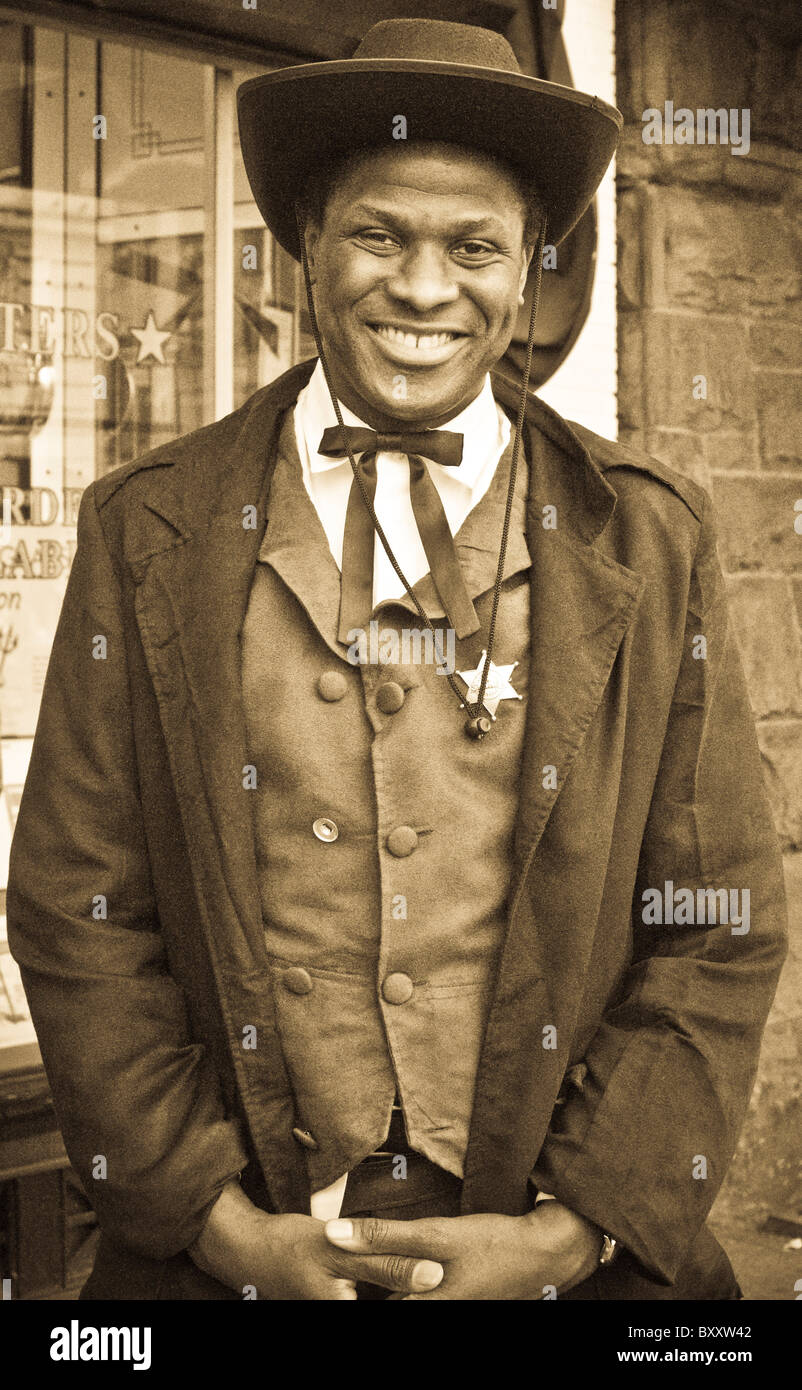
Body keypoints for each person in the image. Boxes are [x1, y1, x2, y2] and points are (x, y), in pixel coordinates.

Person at [7, 18, 787, 1302]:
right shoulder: (145, 523)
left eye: (474, 247)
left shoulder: (646, 536)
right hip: (238, 1224)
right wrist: (214, 1223)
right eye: (378, 235)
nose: (424, 290)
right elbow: (80, 909)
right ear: (303, 246)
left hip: (560, 1234)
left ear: (530, 267)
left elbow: (713, 922)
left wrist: (571, 1230)